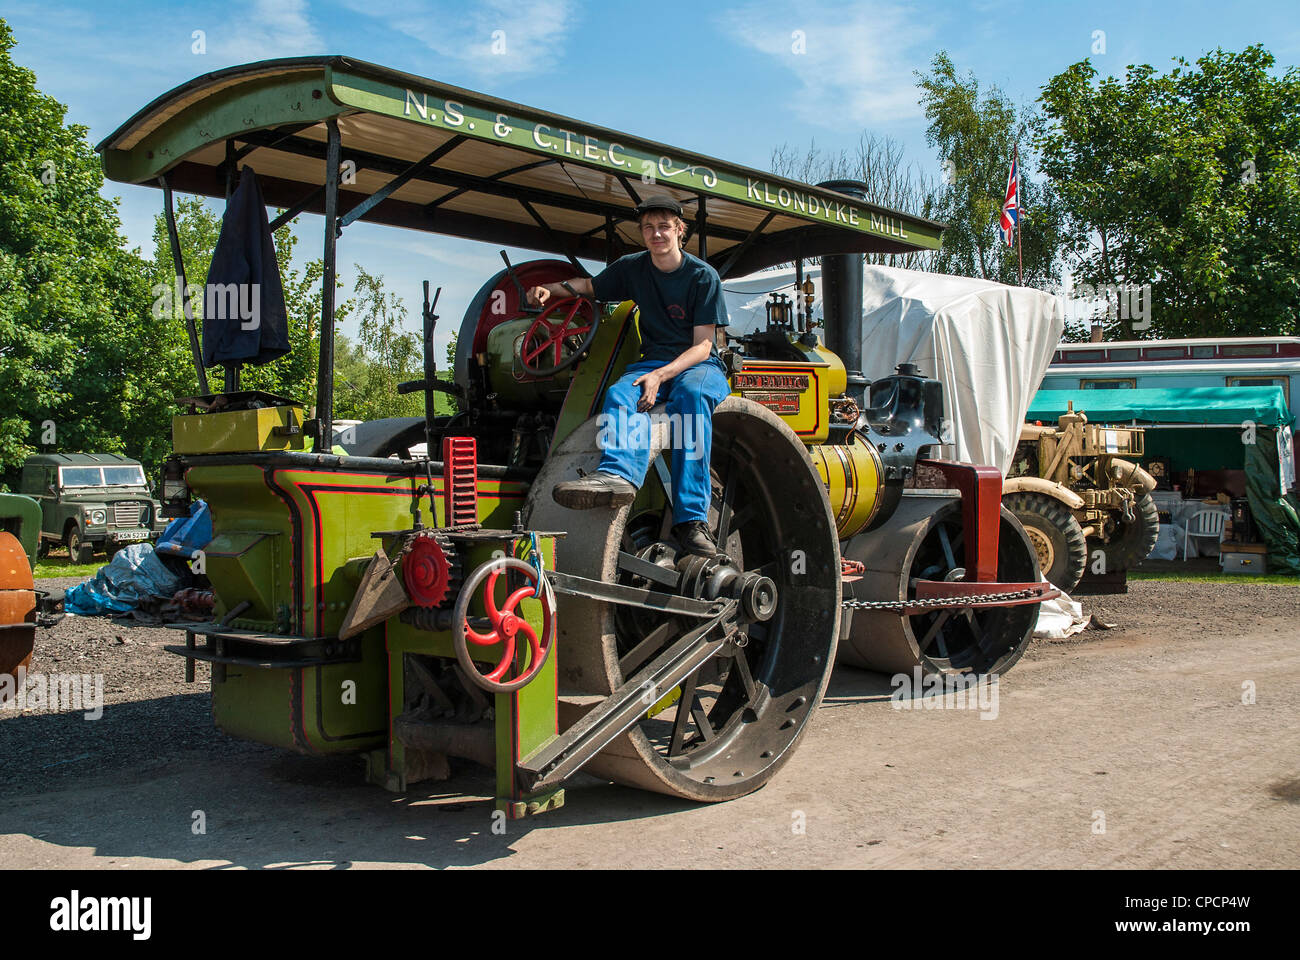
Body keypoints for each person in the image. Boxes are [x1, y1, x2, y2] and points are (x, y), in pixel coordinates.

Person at [526, 195, 731, 558]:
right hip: (653, 361)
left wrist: (660, 375)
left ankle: (692, 521)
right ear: (642, 232)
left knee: (690, 398)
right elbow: (589, 287)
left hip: (700, 366)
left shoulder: (703, 276)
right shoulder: (632, 268)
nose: (656, 234)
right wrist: (552, 290)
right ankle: (618, 477)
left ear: (679, 231)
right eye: (649, 228)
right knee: (620, 394)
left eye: (664, 227)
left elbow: (703, 346)